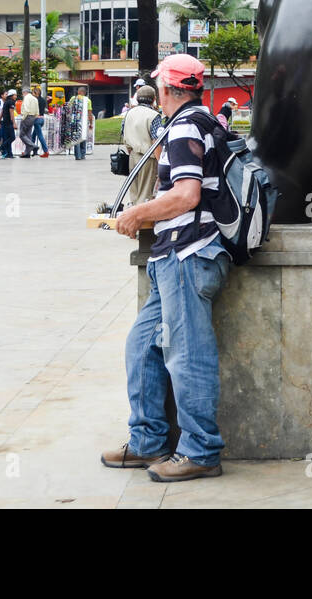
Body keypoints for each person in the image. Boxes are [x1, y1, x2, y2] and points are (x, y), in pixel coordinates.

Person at [108, 54, 228, 482]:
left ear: (166, 90)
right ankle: (147, 441)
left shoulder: (186, 127)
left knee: (187, 355)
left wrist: (139, 213)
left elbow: (187, 195)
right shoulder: (204, 120)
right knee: (141, 346)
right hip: (171, 255)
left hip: (188, 253)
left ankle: (201, 451)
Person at [122, 85, 161, 205]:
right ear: (154, 98)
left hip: (132, 156)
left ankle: (133, 213)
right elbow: (156, 141)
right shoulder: (154, 115)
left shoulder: (129, 113)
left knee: (134, 191)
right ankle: (144, 220)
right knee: (146, 193)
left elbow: (124, 133)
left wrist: (131, 151)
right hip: (148, 157)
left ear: (137, 98)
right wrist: (161, 162)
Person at [67, 87, 93, 160]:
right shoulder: (88, 100)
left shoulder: (73, 98)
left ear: (79, 92)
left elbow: (68, 108)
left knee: (76, 138)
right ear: (84, 93)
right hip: (84, 122)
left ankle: (77, 156)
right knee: (83, 137)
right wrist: (91, 123)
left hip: (75, 122)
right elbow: (90, 113)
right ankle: (82, 154)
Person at [25, 85, 50, 158]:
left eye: (33, 93)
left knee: (40, 136)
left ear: (36, 93)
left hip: (36, 120)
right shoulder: (43, 100)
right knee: (33, 135)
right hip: (42, 119)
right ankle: (31, 151)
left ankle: (46, 151)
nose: (32, 94)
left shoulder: (34, 100)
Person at [0, 88, 18, 158]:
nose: (16, 96)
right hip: (8, 122)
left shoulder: (6, 102)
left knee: (7, 138)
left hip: (4, 122)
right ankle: (0, 148)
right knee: (12, 137)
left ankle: (9, 154)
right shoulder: (11, 102)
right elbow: (11, 113)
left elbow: (2, 112)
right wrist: (14, 123)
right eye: (15, 95)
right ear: (12, 95)